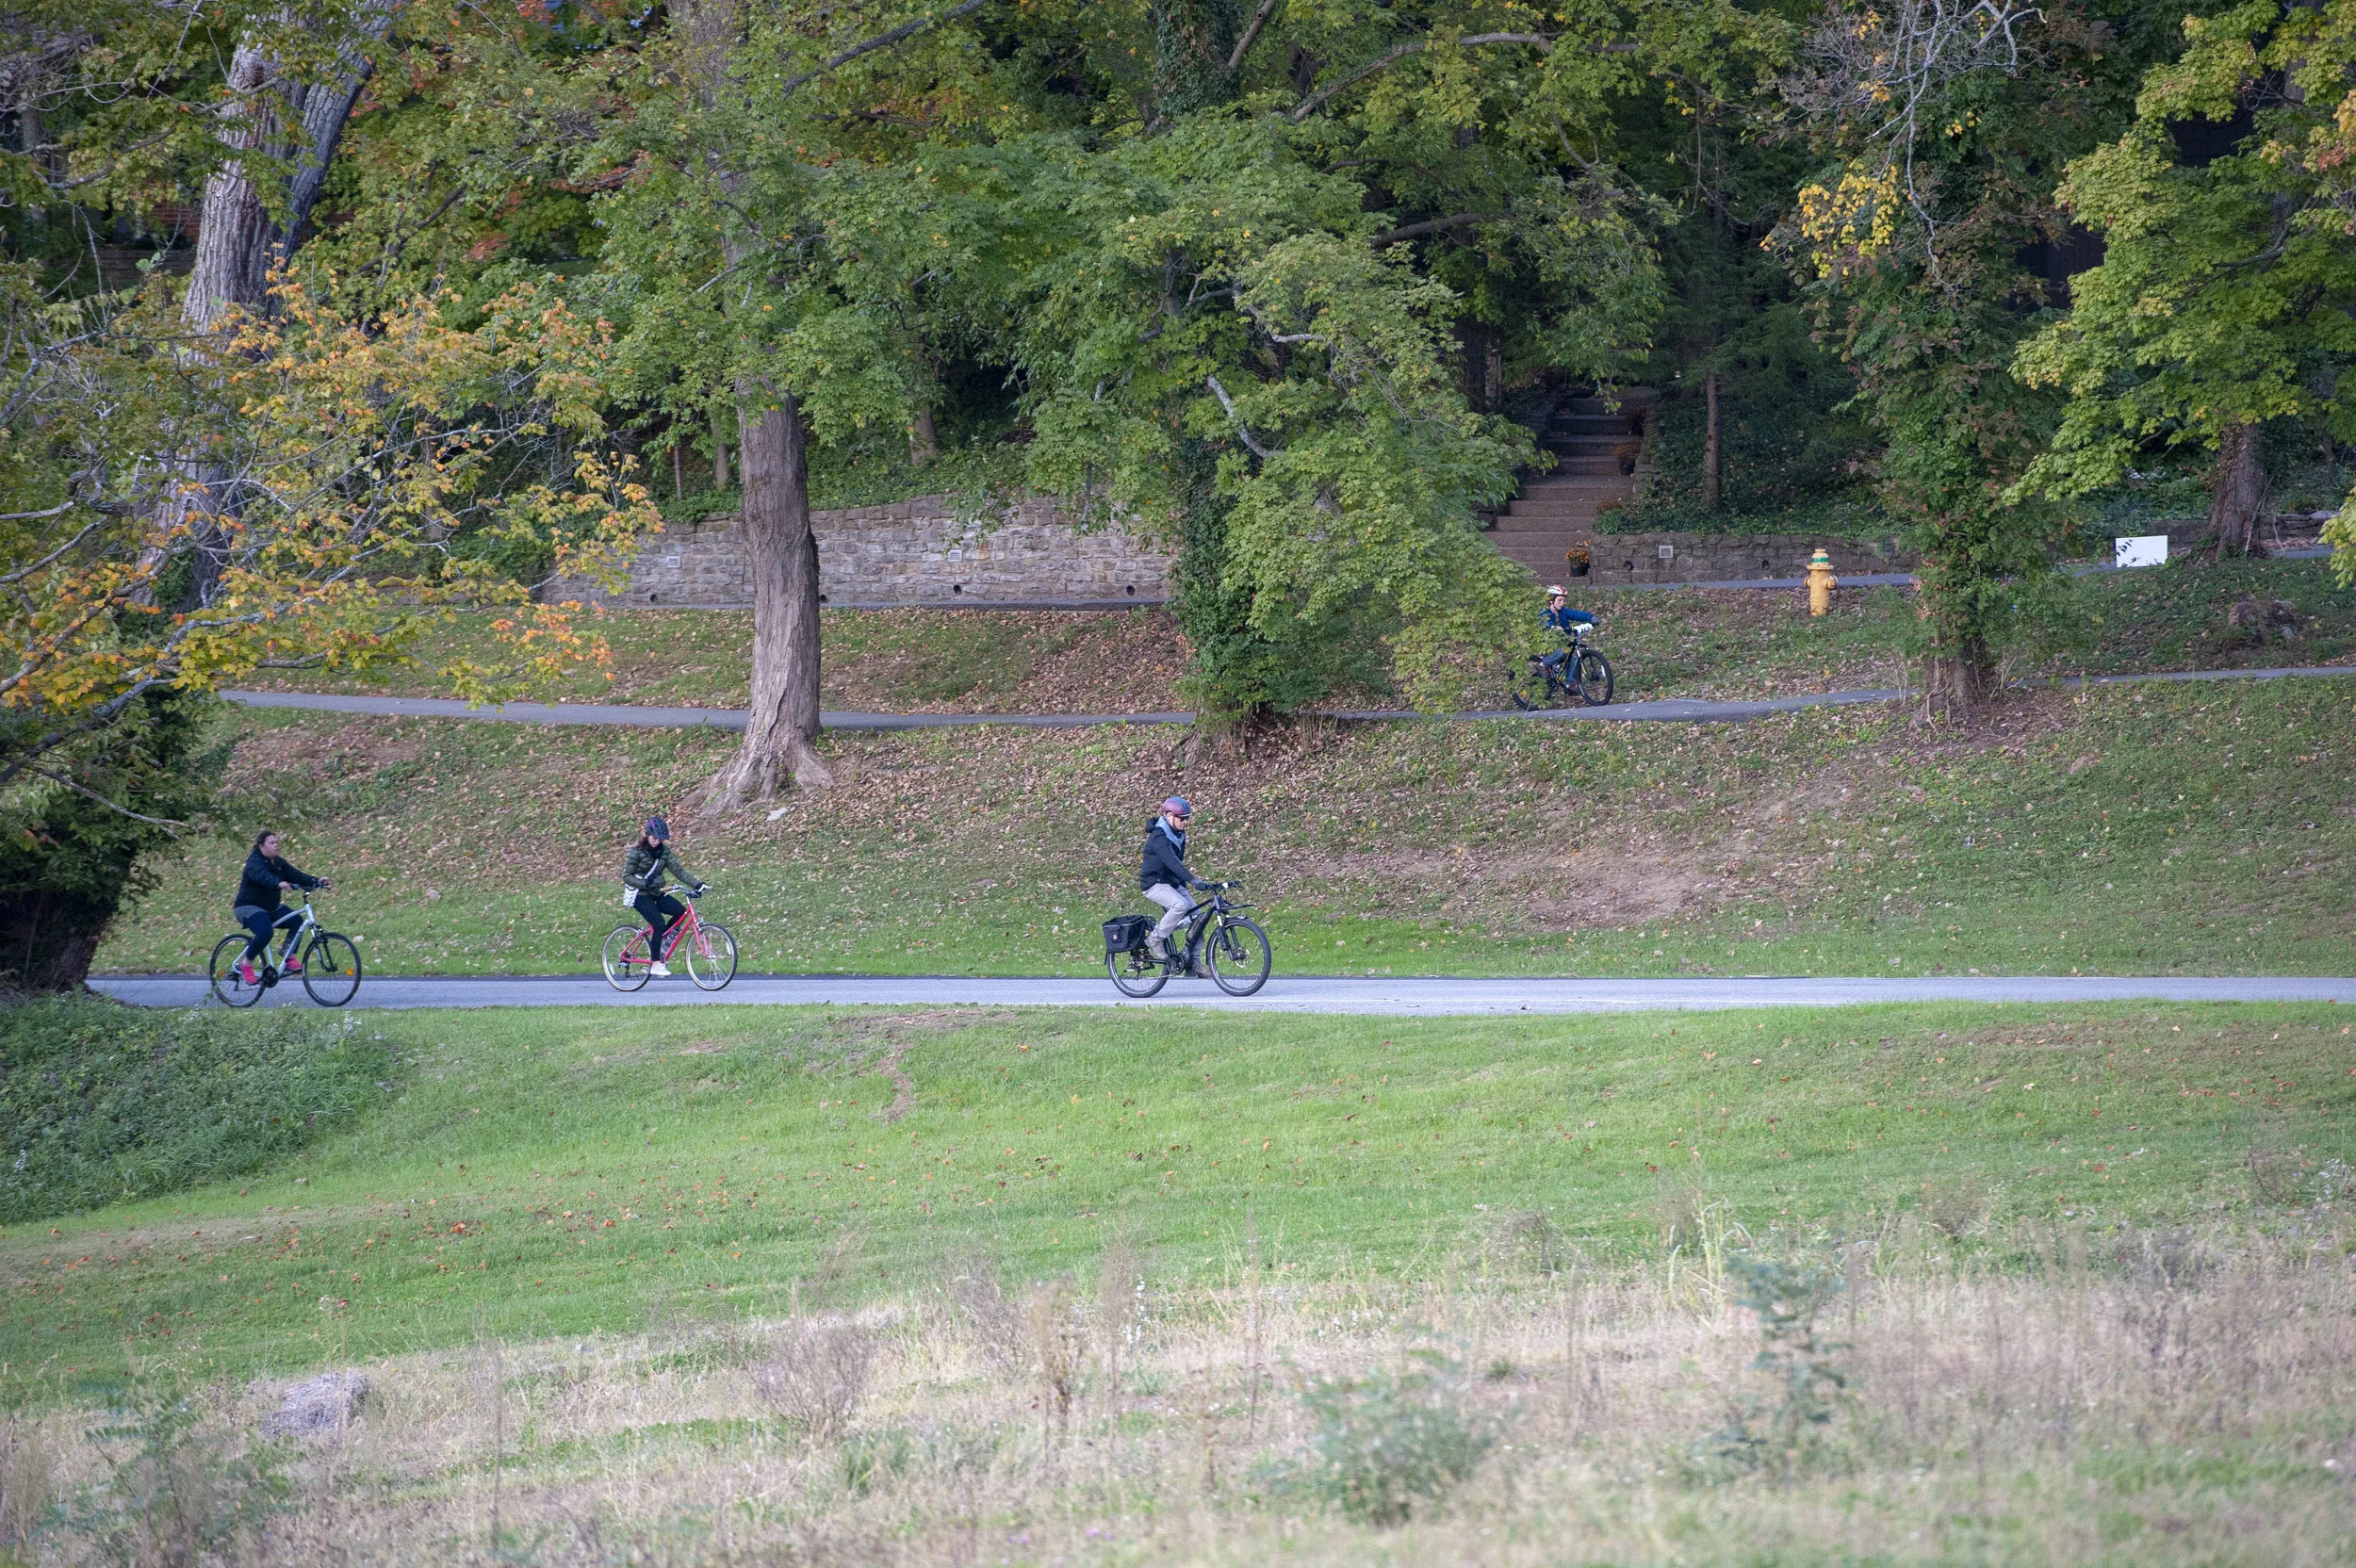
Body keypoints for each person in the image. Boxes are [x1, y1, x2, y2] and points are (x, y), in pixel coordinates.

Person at [233, 829, 329, 985]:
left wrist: (316, 881)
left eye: (277, 842)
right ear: (261, 846)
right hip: (248, 907)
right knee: (265, 932)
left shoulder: (278, 863)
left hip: (269, 908)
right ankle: (246, 964)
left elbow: (296, 875)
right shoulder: (254, 862)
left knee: (296, 921)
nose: (276, 846)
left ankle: (288, 955)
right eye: (272, 843)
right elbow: (261, 876)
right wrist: (277, 883)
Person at [622, 816, 708, 978]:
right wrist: (644, 883)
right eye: (655, 838)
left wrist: (697, 884)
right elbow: (627, 876)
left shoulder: (664, 852)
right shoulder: (635, 853)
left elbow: (679, 871)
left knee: (680, 912)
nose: (657, 842)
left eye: (660, 839)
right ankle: (655, 964)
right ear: (647, 835)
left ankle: (662, 944)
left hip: (655, 892)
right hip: (639, 895)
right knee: (658, 922)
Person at [1138, 795, 1213, 967]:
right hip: (1153, 884)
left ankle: (1192, 962)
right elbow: (1171, 862)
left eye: (1187, 818)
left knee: (1198, 919)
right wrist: (1193, 880)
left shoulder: (1178, 834)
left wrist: (1185, 885)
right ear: (1169, 816)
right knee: (1181, 905)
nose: (1185, 822)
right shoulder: (1159, 837)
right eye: (1181, 818)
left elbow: (1178, 864)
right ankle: (1155, 939)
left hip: (1172, 882)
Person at [1540, 583, 1595, 672]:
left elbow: (1576, 614)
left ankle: (1570, 683)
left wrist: (1590, 617)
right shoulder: (1544, 613)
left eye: (1564, 600)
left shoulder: (1563, 611)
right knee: (1560, 651)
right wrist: (1553, 627)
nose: (1562, 603)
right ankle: (1543, 665)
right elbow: (1547, 624)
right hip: (1546, 644)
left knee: (1573, 657)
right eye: (1559, 600)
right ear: (1551, 600)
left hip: (1560, 642)